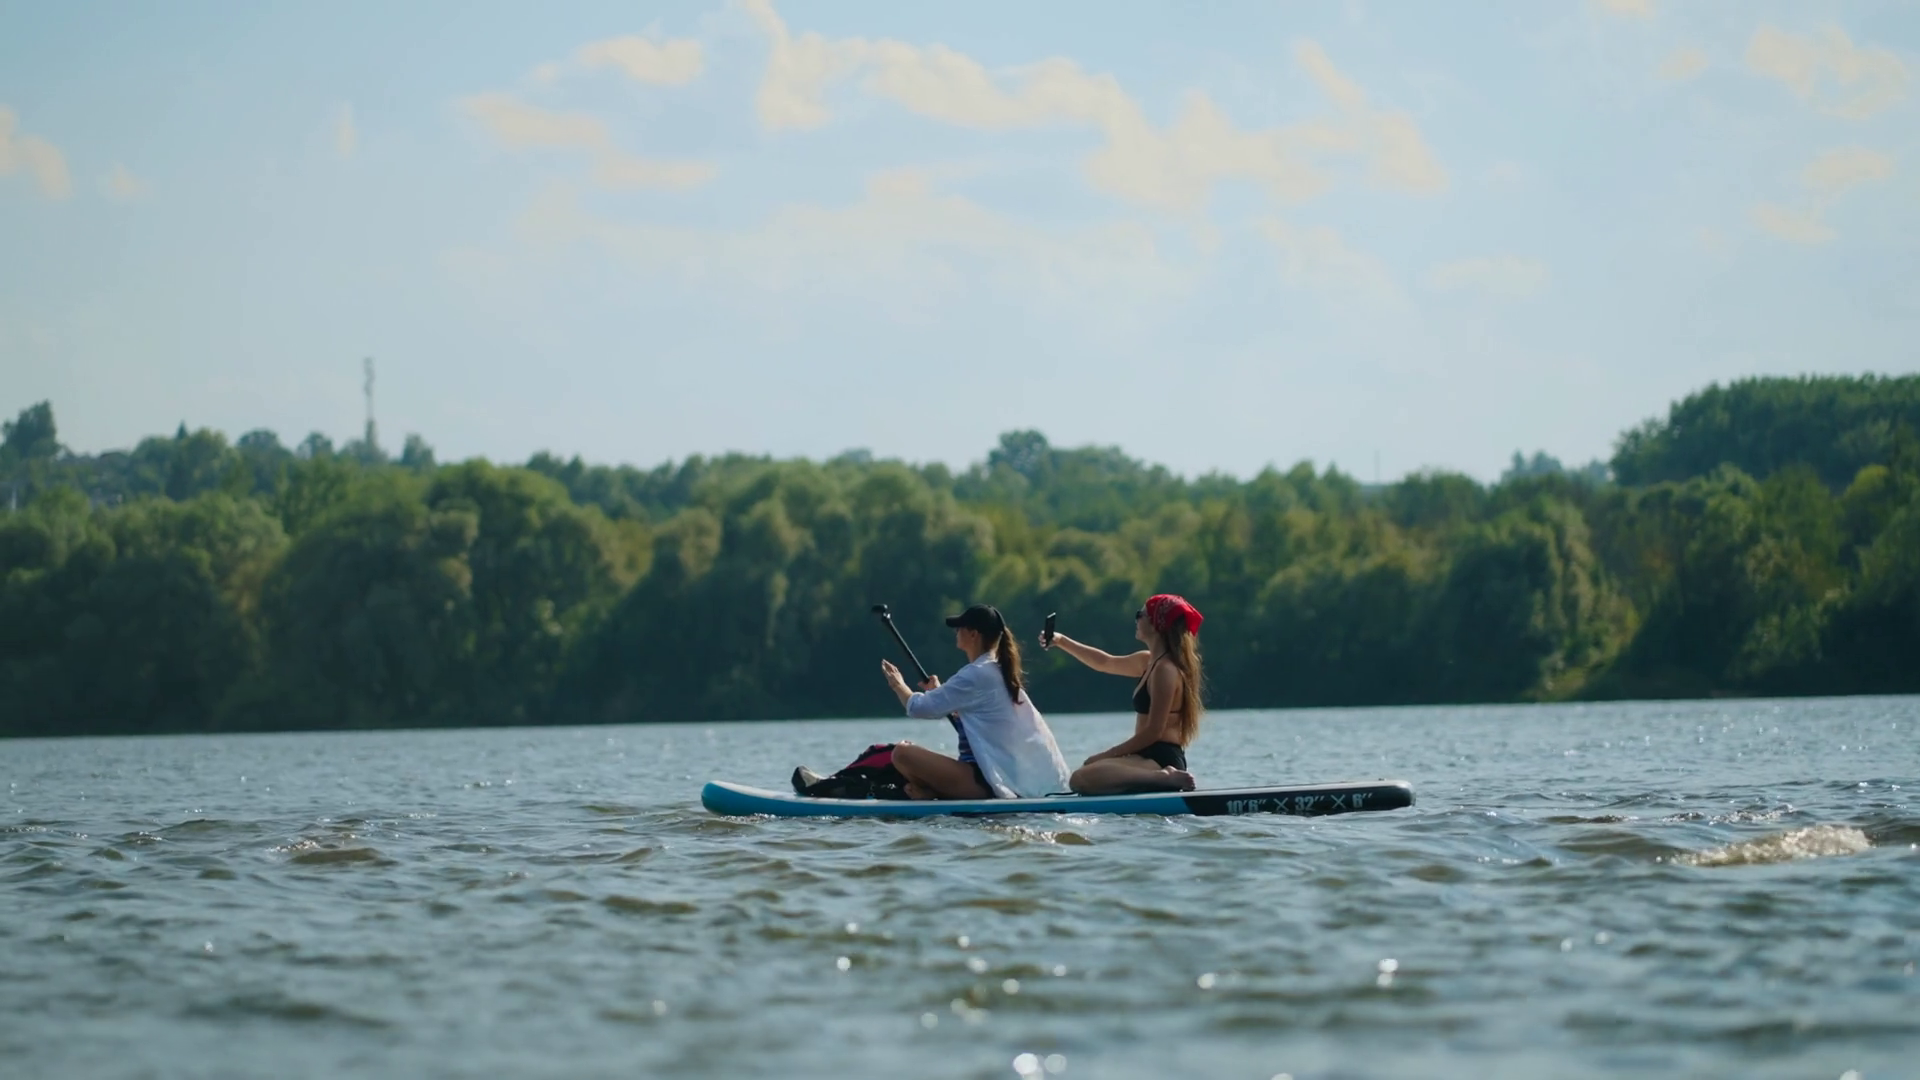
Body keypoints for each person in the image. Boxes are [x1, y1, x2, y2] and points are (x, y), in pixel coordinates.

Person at [878, 604, 1072, 800]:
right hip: (996, 774)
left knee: (902, 753)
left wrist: (897, 684)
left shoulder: (977, 674)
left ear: (973, 635)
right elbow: (976, 709)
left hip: (987, 781)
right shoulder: (996, 670)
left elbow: (918, 708)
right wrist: (939, 692)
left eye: (960, 627)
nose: (956, 632)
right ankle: (932, 793)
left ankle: (933, 794)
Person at [1041, 594, 1205, 794]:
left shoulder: (1165, 670)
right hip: (1144, 756)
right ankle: (1146, 783)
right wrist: (1060, 641)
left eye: (1140, 614)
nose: (1136, 619)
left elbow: (1154, 731)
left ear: (1156, 624)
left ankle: (1165, 778)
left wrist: (1106, 755)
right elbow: (1104, 662)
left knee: (1080, 778)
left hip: (1161, 759)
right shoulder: (1148, 661)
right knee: (1087, 772)